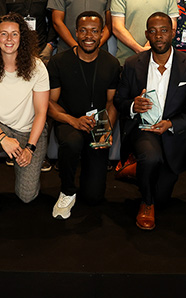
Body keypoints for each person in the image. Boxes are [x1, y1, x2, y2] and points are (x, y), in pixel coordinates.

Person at [115, 12, 186, 230]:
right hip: (143, 130)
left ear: (173, 33)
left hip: (173, 132)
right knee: (151, 157)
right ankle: (146, 204)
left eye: (164, 30)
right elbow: (119, 100)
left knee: (162, 197)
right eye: (153, 31)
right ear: (147, 34)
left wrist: (171, 124)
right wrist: (132, 105)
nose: (158, 36)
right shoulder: (132, 63)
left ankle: (139, 173)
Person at [0, 13, 50, 224]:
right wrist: (3, 138)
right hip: (0, 127)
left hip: (30, 130)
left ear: (22, 38)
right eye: (4, 34)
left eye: (14, 34)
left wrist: (30, 148)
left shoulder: (37, 67)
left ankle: (25, 165)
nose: (9, 39)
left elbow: (42, 112)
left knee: (27, 196)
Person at [47, 11, 120, 219]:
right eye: (84, 31)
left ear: (102, 34)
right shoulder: (59, 62)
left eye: (95, 31)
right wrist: (73, 120)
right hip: (68, 120)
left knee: (94, 197)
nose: (89, 36)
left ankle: (90, 173)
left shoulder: (111, 64)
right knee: (71, 143)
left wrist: (106, 129)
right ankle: (67, 191)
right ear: (76, 33)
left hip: (98, 124)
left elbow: (111, 102)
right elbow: (50, 103)